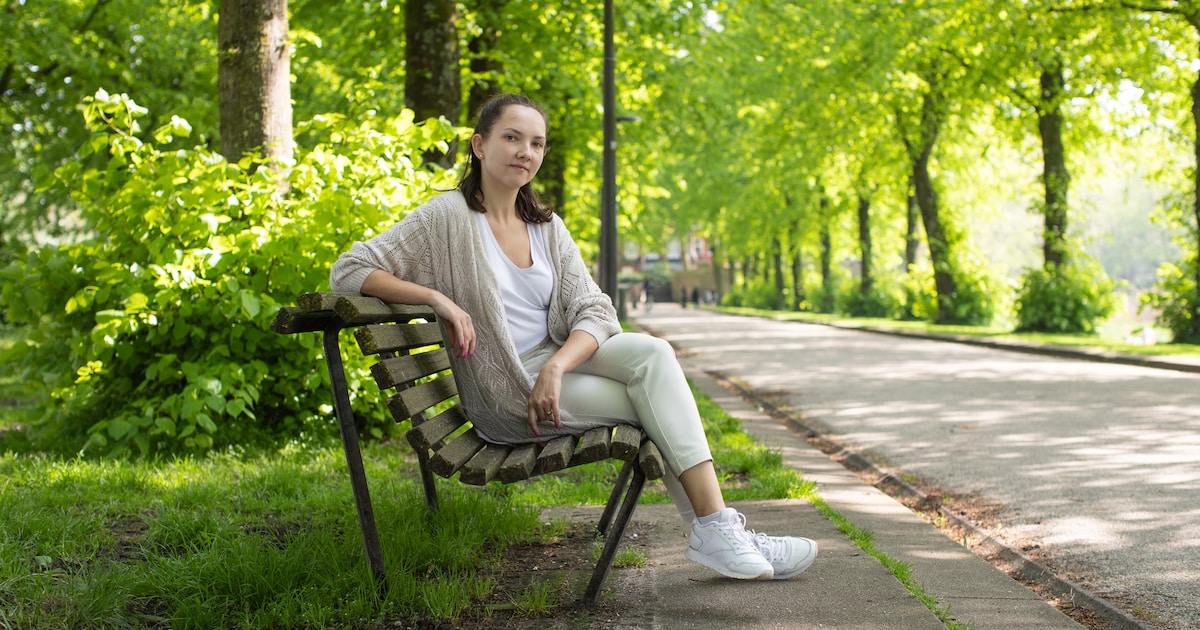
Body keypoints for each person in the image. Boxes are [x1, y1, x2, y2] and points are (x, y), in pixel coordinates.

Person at [330, 93, 817, 581]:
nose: (526, 151)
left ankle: (719, 531)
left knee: (655, 354)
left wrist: (557, 365)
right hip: (508, 390)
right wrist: (439, 299)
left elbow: (594, 309)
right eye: (512, 138)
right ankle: (722, 531)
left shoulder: (546, 228)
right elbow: (349, 270)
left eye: (536, 143)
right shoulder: (447, 219)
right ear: (479, 145)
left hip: (553, 367)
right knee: (654, 401)